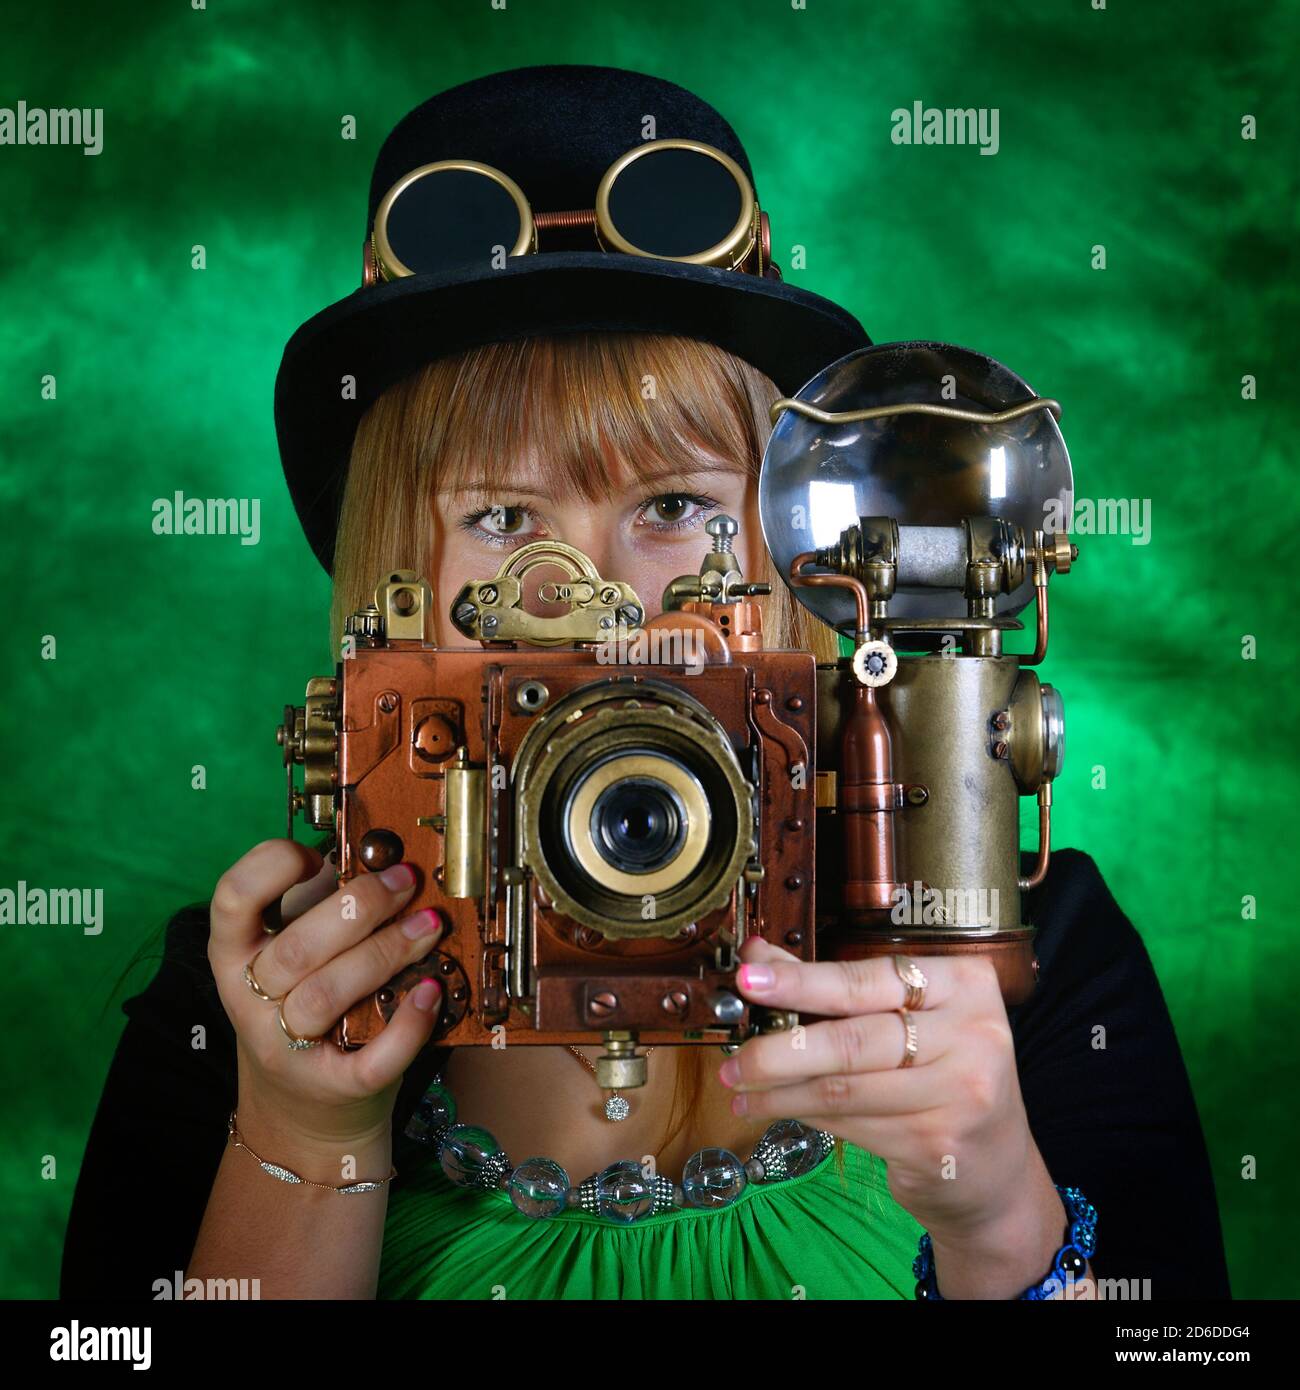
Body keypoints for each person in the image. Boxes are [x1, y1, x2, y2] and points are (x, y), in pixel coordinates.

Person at [60, 65, 1230, 1302]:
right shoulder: (265, 997)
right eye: (506, 515)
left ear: (794, 544)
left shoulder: (1007, 942)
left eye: (674, 506)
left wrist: (1001, 1214)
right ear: (400, 569)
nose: (604, 597)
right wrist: (303, 1134)